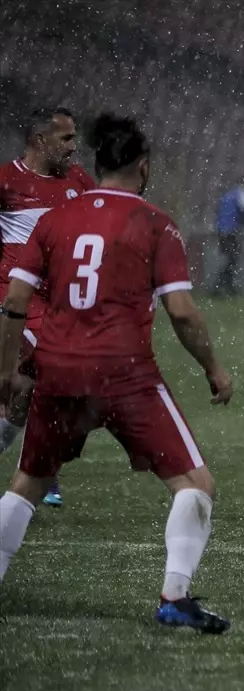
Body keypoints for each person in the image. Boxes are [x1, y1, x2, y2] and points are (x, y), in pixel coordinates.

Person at [0, 114, 234, 634]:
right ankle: (175, 597)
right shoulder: (154, 222)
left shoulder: (55, 219)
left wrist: (8, 373)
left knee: (27, 484)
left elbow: (14, 301)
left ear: (95, 164)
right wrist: (213, 368)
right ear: (143, 167)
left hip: (57, 368)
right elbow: (182, 311)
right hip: (125, 374)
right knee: (195, 484)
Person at [0, 106, 95, 508]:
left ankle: (40, 467)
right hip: (17, 296)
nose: (74, 148)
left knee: (25, 393)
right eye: (66, 139)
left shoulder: (78, 182)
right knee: (52, 376)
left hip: (62, 300)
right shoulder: (6, 182)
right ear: (41, 141)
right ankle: (40, 469)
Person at [213, 184, 244, 297]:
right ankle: (223, 286)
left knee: (230, 260)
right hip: (230, 232)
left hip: (222, 232)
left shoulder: (228, 196)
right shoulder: (240, 195)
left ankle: (225, 287)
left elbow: (221, 213)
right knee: (232, 260)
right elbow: (242, 213)